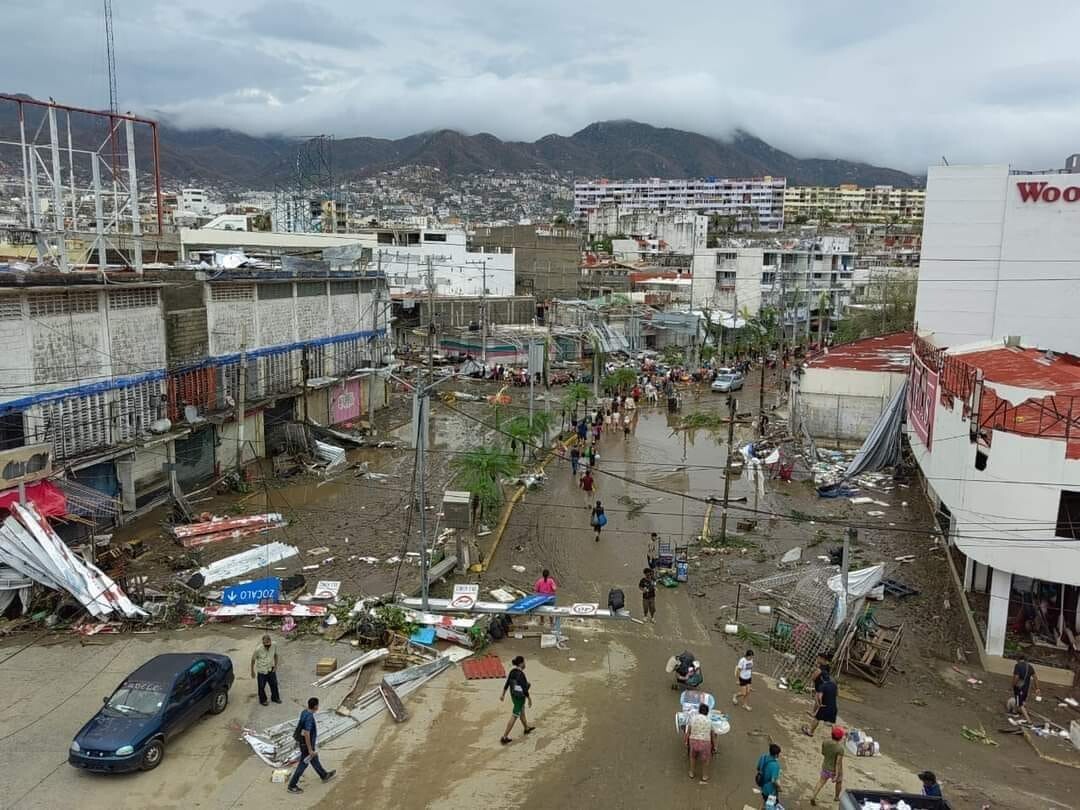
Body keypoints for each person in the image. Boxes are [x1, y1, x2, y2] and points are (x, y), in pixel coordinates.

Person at [287, 697, 336, 793]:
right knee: (303, 764)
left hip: (303, 743)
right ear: (315, 706)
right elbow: (306, 733)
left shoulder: (304, 712)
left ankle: (323, 775)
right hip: (306, 745)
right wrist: (310, 749)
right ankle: (292, 785)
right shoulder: (309, 717)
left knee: (314, 759)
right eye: (318, 705)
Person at [500, 655, 535, 744]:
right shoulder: (521, 675)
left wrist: (503, 695)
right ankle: (504, 737)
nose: (525, 664)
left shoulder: (512, 672)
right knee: (515, 715)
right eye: (524, 662)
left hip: (513, 695)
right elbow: (524, 688)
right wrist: (529, 698)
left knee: (521, 712)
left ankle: (526, 728)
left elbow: (507, 683)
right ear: (521, 663)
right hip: (520, 697)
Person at [809, 726, 846, 806]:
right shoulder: (840, 749)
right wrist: (836, 775)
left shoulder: (825, 742)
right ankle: (836, 797)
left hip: (825, 766)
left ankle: (813, 796)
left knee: (821, 782)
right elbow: (838, 763)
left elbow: (823, 753)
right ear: (840, 738)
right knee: (839, 782)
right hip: (834, 770)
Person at [684, 702, 716, 783]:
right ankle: (704, 775)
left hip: (693, 741)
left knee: (692, 757)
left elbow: (688, 731)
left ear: (699, 711)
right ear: (707, 712)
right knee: (705, 760)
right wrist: (714, 745)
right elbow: (712, 735)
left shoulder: (693, 719)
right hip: (705, 743)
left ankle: (691, 772)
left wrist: (686, 740)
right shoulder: (710, 721)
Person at [804, 665, 838, 736]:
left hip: (825, 706)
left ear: (822, 678)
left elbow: (819, 696)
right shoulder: (834, 685)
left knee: (817, 718)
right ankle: (836, 736)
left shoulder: (822, 686)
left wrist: (819, 704)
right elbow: (836, 694)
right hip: (834, 707)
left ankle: (810, 732)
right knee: (831, 723)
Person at [251, 634, 281, 706]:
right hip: (262, 671)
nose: (267, 646)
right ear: (263, 643)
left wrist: (276, 666)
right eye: (265, 644)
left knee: (274, 684)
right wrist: (252, 671)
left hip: (271, 669)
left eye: (268, 644)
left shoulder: (274, 645)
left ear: (270, 641)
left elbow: (276, 655)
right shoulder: (258, 649)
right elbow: (253, 660)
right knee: (261, 687)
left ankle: (275, 698)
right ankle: (263, 700)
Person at [1012, 654, 1041, 722]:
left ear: (1018, 659)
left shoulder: (1018, 665)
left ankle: (1029, 721)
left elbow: (1016, 677)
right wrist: (1037, 688)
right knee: (1020, 700)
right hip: (1026, 689)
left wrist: (1013, 684)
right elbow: (1035, 678)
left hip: (1019, 687)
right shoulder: (1030, 667)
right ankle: (1014, 712)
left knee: (1020, 703)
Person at [755, 743, 782, 808]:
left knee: (764, 799)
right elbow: (773, 781)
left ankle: (763, 807)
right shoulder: (776, 765)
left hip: (762, 785)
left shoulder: (763, 757)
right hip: (771, 791)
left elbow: (758, 768)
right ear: (776, 755)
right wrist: (779, 787)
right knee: (770, 805)